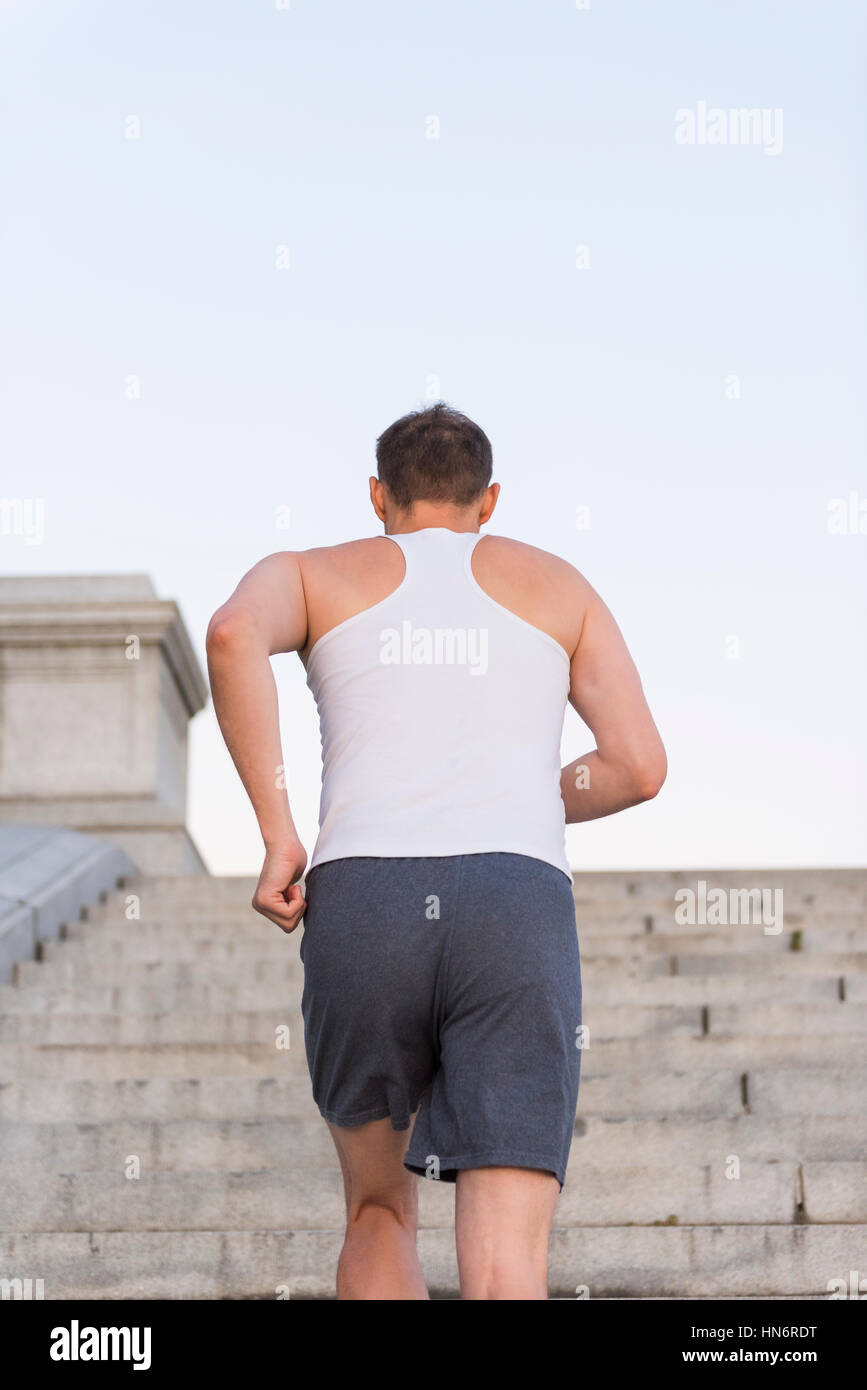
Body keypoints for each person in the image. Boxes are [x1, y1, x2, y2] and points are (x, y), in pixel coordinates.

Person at [206, 402, 666, 1300]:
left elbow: (229, 636)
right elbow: (639, 767)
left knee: (378, 1212)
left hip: (362, 898)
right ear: (488, 501)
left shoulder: (309, 571)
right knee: (507, 1264)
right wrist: (530, 797)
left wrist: (278, 833)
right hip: (513, 902)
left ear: (379, 495)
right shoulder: (556, 583)